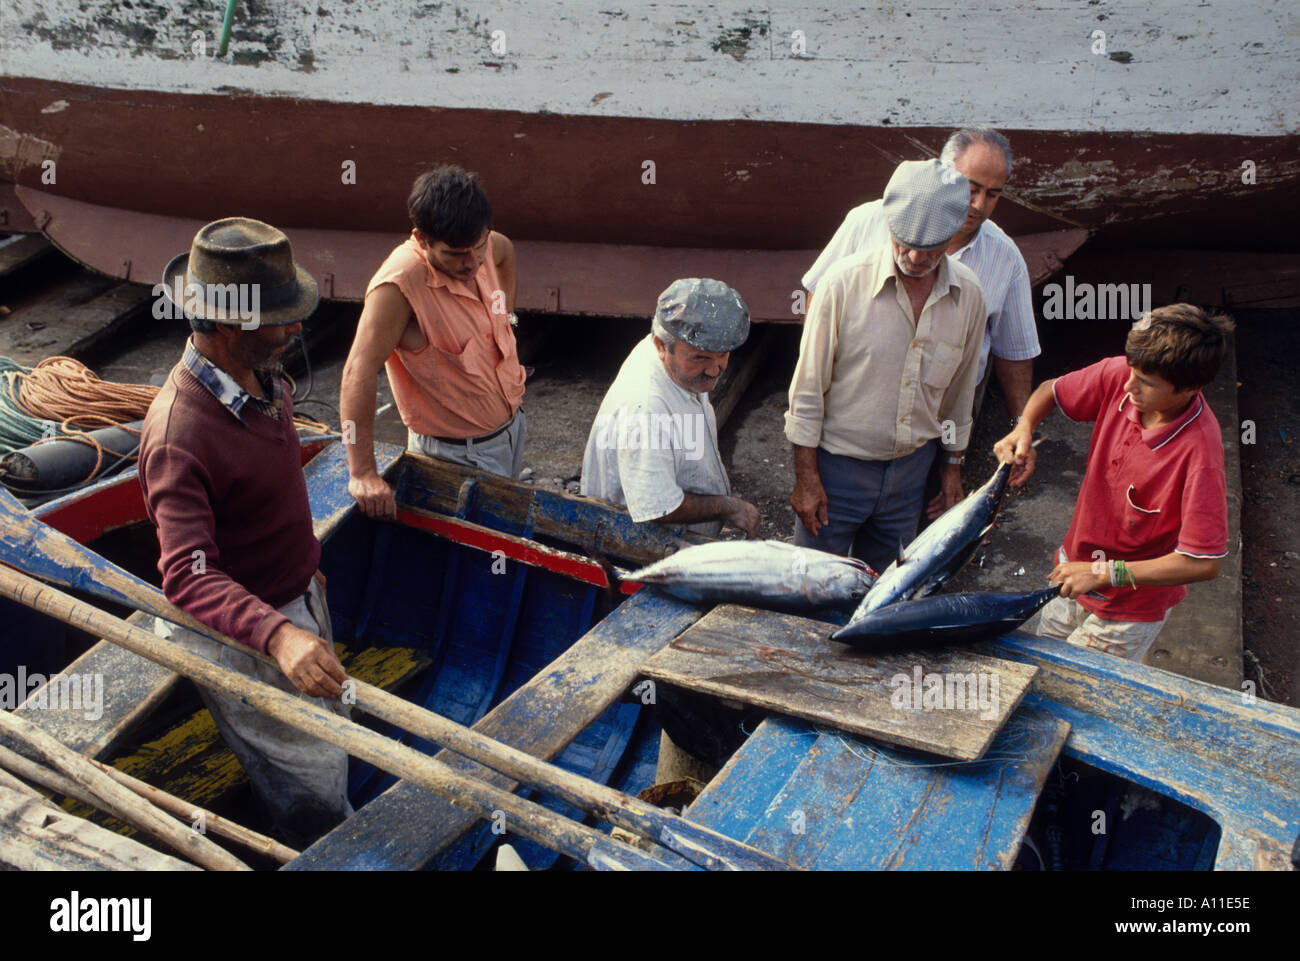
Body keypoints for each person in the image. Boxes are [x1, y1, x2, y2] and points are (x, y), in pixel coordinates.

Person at [139, 217, 351, 848]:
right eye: (283, 317)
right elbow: (184, 573)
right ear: (232, 326)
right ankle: (323, 850)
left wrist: (301, 567)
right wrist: (279, 633)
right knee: (312, 779)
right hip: (248, 635)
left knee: (329, 743)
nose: (297, 328)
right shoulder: (180, 434)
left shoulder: (262, 379)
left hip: (294, 598)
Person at [994, 304, 1234, 662]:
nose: (1127, 384)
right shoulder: (1127, 373)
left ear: (1190, 387)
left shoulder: (1200, 452)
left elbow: (1202, 563)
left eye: (1146, 383)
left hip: (1127, 610)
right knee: (1039, 667)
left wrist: (1106, 572)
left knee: (1075, 693)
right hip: (1071, 573)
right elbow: (1050, 390)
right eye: (1130, 369)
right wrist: (1024, 427)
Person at [803, 127, 1041, 483]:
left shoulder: (1003, 257)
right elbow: (816, 303)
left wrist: (1019, 428)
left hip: (941, 414)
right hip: (858, 409)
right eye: (971, 188)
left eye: (992, 194)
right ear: (942, 174)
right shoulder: (868, 221)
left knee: (924, 505)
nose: (977, 204)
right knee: (837, 504)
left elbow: (1015, 352)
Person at [786, 159, 986, 575]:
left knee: (883, 586)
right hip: (837, 469)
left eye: (929, 247)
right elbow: (806, 393)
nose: (913, 257)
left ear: (954, 234)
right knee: (811, 586)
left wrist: (951, 469)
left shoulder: (968, 295)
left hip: (912, 473)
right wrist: (807, 480)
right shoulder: (841, 285)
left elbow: (959, 396)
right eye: (903, 241)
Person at [342, 164, 525, 520]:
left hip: (512, 431)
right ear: (422, 239)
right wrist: (362, 472)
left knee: (508, 529)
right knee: (473, 554)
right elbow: (356, 372)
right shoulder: (399, 286)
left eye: (477, 247)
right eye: (455, 255)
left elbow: (504, 252)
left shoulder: (482, 244)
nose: (471, 262)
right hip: (456, 457)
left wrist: (507, 318)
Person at [581, 278, 758, 537]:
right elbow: (659, 507)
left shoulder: (676, 358)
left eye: (723, 355)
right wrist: (729, 508)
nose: (714, 370)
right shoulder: (645, 409)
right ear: (660, 346)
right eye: (700, 358)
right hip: (639, 547)